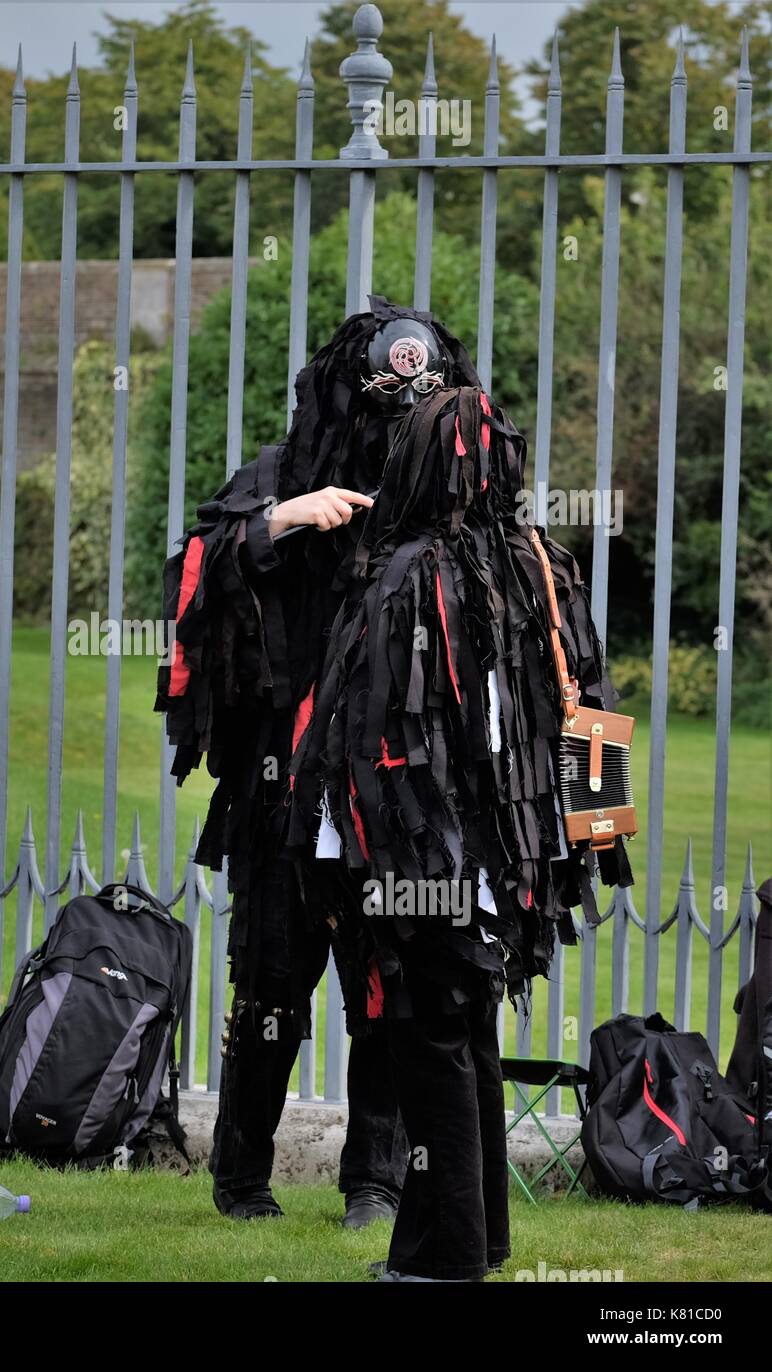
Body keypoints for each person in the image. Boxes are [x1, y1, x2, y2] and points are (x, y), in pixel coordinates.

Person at [156, 299, 482, 1223]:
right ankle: (240, 1177)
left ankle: (376, 1180)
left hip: (401, 799)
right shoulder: (275, 476)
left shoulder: (447, 498)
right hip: (278, 787)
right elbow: (193, 572)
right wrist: (281, 520)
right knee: (269, 984)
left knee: (389, 991)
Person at [298, 384, 632, 1279]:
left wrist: (349, 860)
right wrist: (580, 850)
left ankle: (450, 1261)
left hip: (424, 860)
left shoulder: (406, 573)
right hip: (510, 867)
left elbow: (367, 741)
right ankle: (466, 1240)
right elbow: (590, 713)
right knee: (464, 1037)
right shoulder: (542, 565)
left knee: (433, 1046)